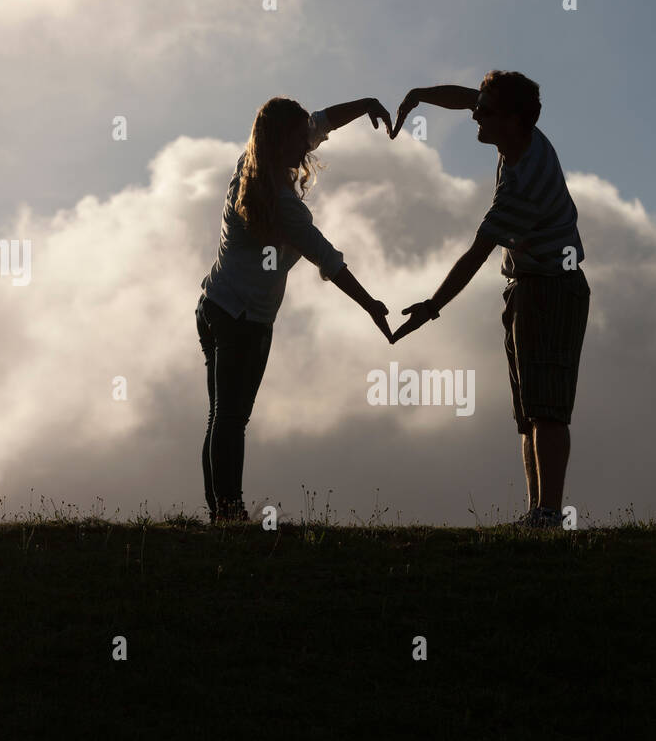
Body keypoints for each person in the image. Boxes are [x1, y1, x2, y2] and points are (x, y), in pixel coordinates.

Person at [389, 71, 589, 529]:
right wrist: (420, 95)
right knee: (528, 414)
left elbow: (477, 252)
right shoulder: (519, 137)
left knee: (547, 410)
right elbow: (467, 99)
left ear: (515, 121)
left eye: (488, 110)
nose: (475, 114)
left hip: (553, 289)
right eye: (480, 106)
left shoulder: (523, 182)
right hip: (528, 285)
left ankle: (549, 515)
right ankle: (539, 514)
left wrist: (431, 307)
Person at [196, 96, 394, 524]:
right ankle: (229, 512)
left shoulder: (248, 167)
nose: (309, 143)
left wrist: (365, 106)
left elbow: (322, 123)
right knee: (231, 417)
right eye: (299, 137)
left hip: (215, 306)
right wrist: (372, 306)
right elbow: (328, 258)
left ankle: (223, 512)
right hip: (243, 319)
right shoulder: (282, 205)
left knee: (221, 416)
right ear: (281, 139)